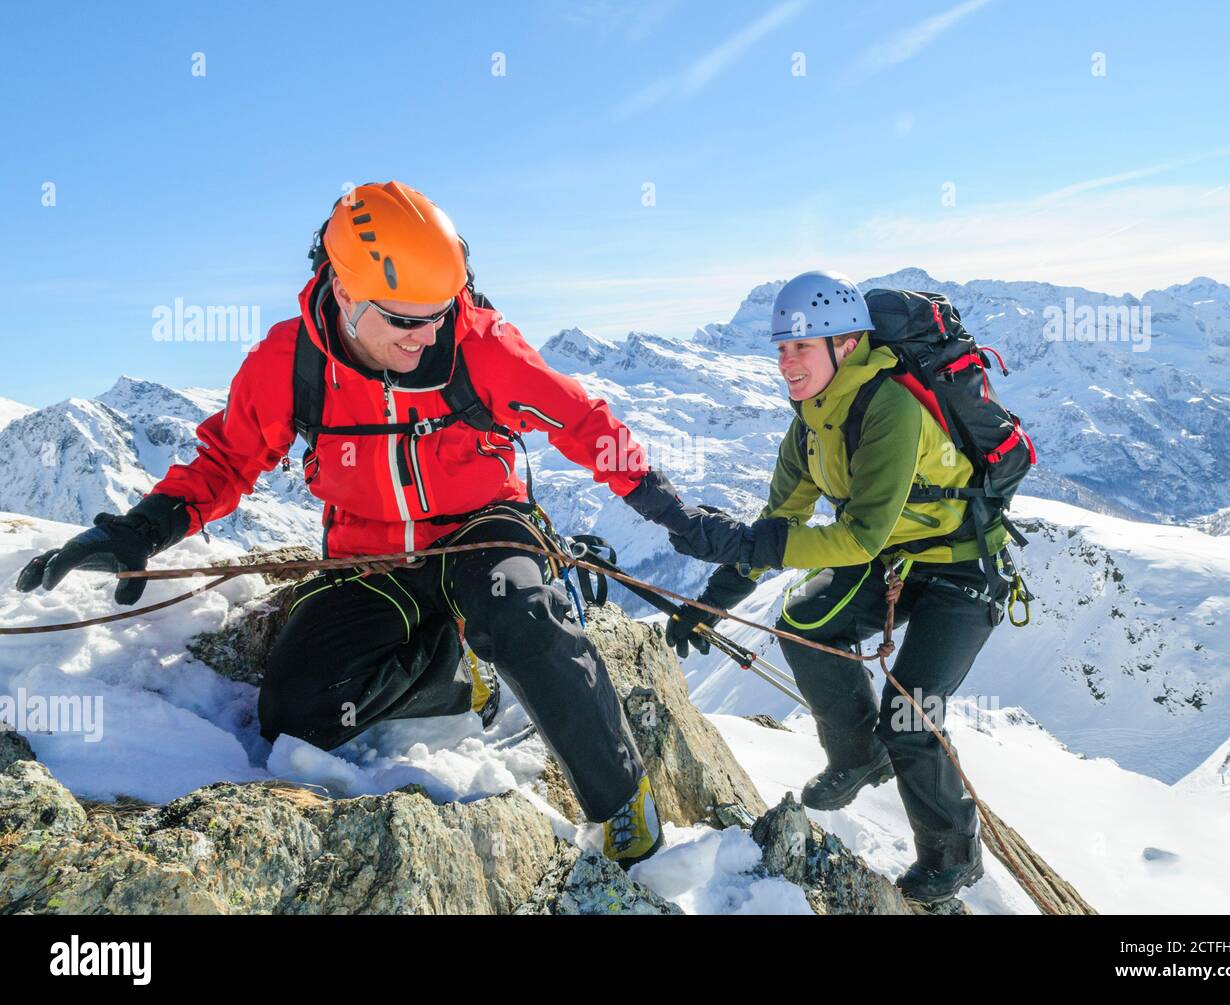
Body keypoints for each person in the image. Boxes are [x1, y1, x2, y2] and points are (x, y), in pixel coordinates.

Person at [15, 180, 715, 868]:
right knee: (296, 709)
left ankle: (626, 811)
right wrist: (140, 530)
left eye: (441, 311)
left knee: (526, 618)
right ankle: (461, 670)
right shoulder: (291, 364)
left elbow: (585, 425)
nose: (430, 332)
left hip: (484, 529)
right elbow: (228, 457)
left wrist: (672, 514)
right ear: (344, 293)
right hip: (369, 554)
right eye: (406, 319)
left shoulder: (479, 345)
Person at [665, 269, 1012, 902]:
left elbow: (859, 538)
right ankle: (857, 754)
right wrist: (708, 604)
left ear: (846, 345)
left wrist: (754, 545)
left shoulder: (891, 407)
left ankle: (953, 853)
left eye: (800, 346)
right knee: (802, 623)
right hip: (901, 559)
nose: (785, 362)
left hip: (963, 565)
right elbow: (779, 525)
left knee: (910, 715)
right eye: (780, 347)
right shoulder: (809, 422)